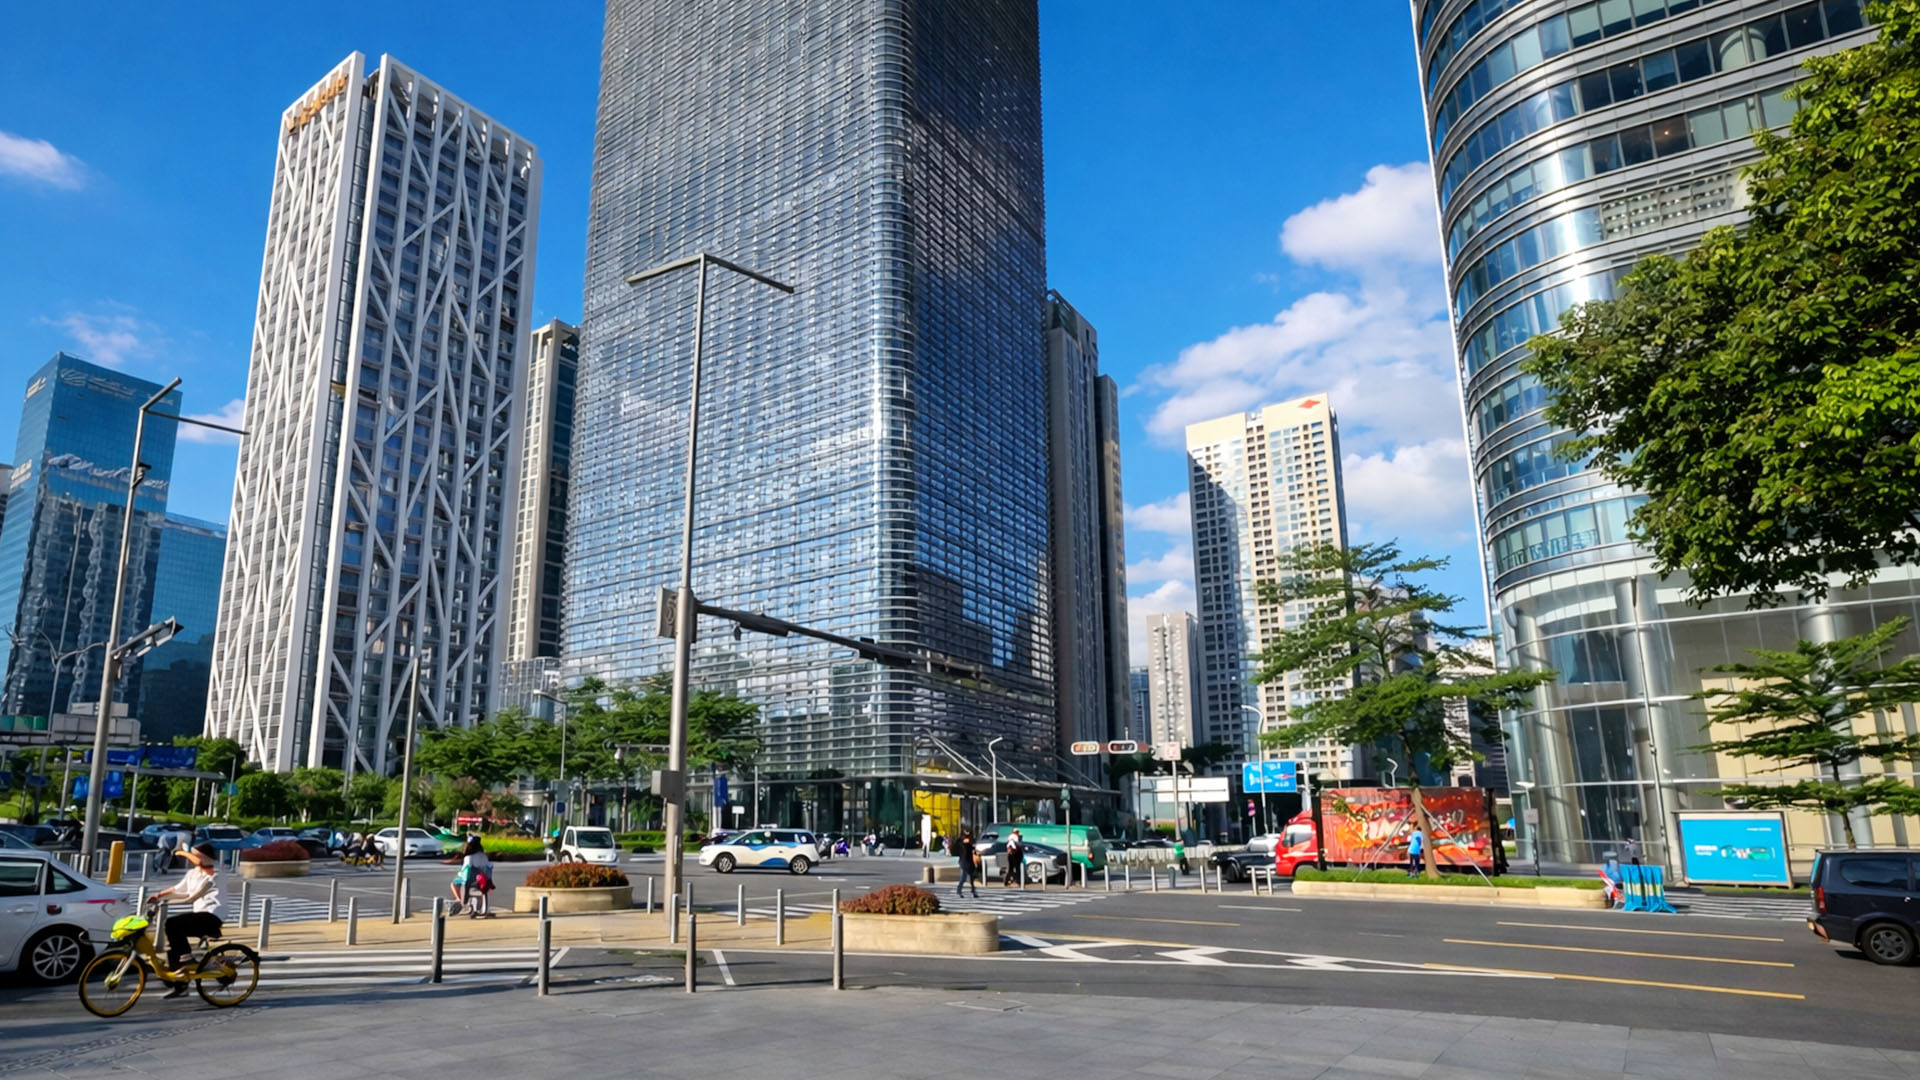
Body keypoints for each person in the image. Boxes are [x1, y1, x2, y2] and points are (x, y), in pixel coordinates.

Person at [151, 842, 223, 997]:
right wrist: (159, 896)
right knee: (173, 947)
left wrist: (183, 853)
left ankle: (188, 959)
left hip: (213, 914)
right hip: (199, 914)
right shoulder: (193, 873)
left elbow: (193, 896)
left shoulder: (217, 872)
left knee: (173, 923)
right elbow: (178, 890)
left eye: (196, 855)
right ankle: (180, 985)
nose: (193, 859)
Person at [456, 835, 495, 917]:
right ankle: (474, 906)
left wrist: (460, 875)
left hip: (472, 882)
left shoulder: (469, 858)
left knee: (454, 884)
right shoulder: (484, 856)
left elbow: (465, 872)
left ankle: (461, 901)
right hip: (484, 881)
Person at [953, 830, 980, 899]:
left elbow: (972, 851)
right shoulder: (962, 844)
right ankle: (959, 891)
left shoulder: (967, 844)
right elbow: (965, 852)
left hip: (968, 863)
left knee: (971, 878)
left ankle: (973, 891)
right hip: (964, 863)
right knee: (963, 878)